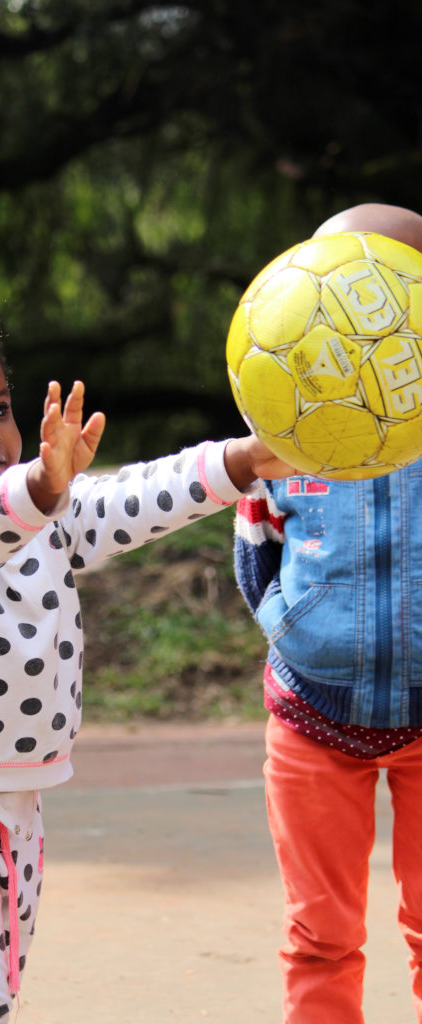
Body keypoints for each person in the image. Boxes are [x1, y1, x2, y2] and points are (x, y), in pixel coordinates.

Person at [0, 263, 292, 1024]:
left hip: (19, 798)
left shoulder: (45, 512)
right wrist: (40, 487)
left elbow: (131, 496)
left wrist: (240, 461)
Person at [233, 202, 422, 1024]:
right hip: (312, 715)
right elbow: (256, 549)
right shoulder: (289, 424)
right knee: (320, 934)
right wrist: (288, 623)